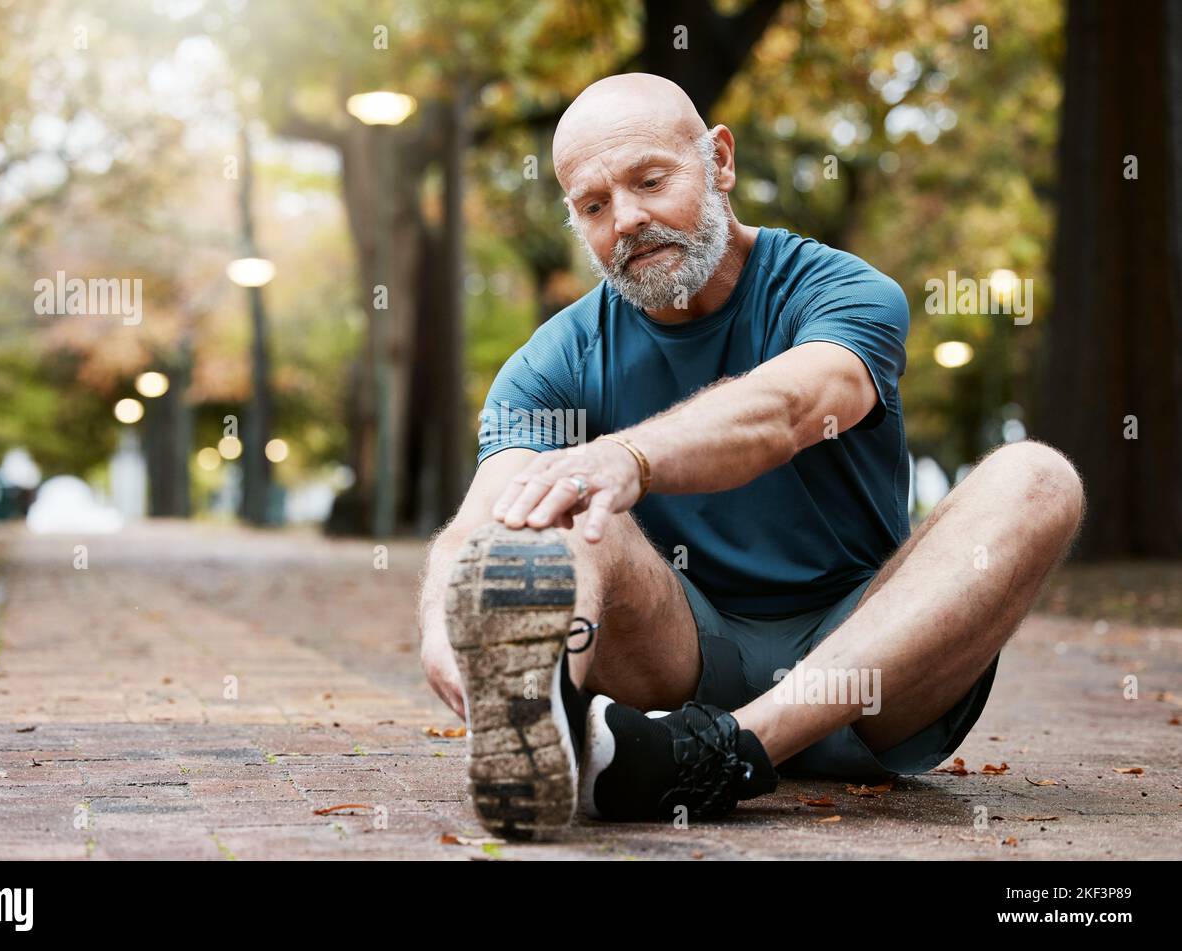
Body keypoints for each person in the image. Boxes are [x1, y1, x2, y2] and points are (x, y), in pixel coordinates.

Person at [417, 73, 1084, 840]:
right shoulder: (552, 362)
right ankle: (549, 729)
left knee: (1038, 477)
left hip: (868, 665)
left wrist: (629, 455)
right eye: (595, 206)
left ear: (720, 162)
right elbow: (489, 510)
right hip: (677, 666)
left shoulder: (843, 291)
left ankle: (723, 753)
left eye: (650, 180)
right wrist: (446, 618)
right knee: (547, 509)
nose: (628, 220)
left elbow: (789, 408)